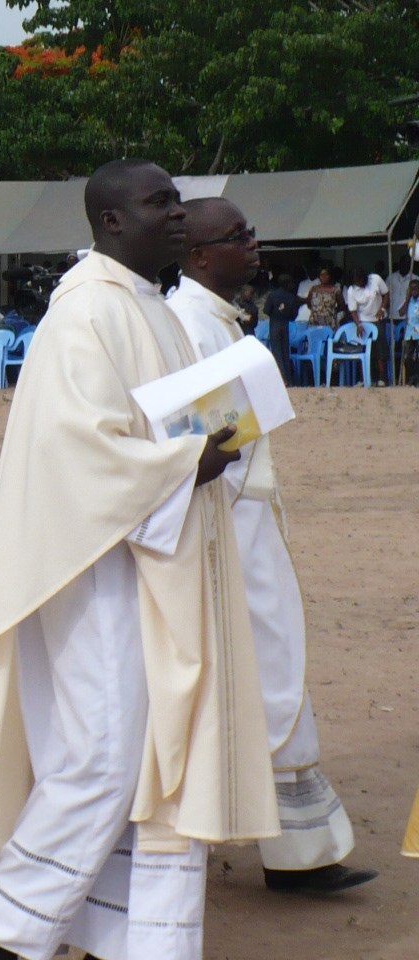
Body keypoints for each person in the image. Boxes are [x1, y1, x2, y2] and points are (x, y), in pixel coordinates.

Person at [0, 159, 278, 960]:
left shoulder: (152, 306)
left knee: (148, 756)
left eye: (179, 203)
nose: (179, 217)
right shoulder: (82, 316)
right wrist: (188, 463)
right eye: (162, 204)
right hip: (94, 570)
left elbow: (160, 422)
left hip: (154, 558)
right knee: (103, 755)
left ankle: (124, 935)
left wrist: (217, 430)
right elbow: (74, 451)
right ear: (111, 221)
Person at [169, 197, 377, 895]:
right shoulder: (183, 323)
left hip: (250, 516)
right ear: (199, 255)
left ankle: (302, 850)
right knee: (248, 677)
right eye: (237, 236)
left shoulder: (217, 318)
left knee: (275, 670)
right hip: (219, 525)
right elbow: (188, 434)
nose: (253, 244)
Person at [263, 275, 303, 385]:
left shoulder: (272, 295)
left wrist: (276, 311)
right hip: (285, 326)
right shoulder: (291, 297)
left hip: (274, 325)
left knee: (276, 352)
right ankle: (288, 380)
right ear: (287, 284)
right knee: (285, 352)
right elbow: (293, 316)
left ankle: (281, 379)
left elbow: (266, 310)